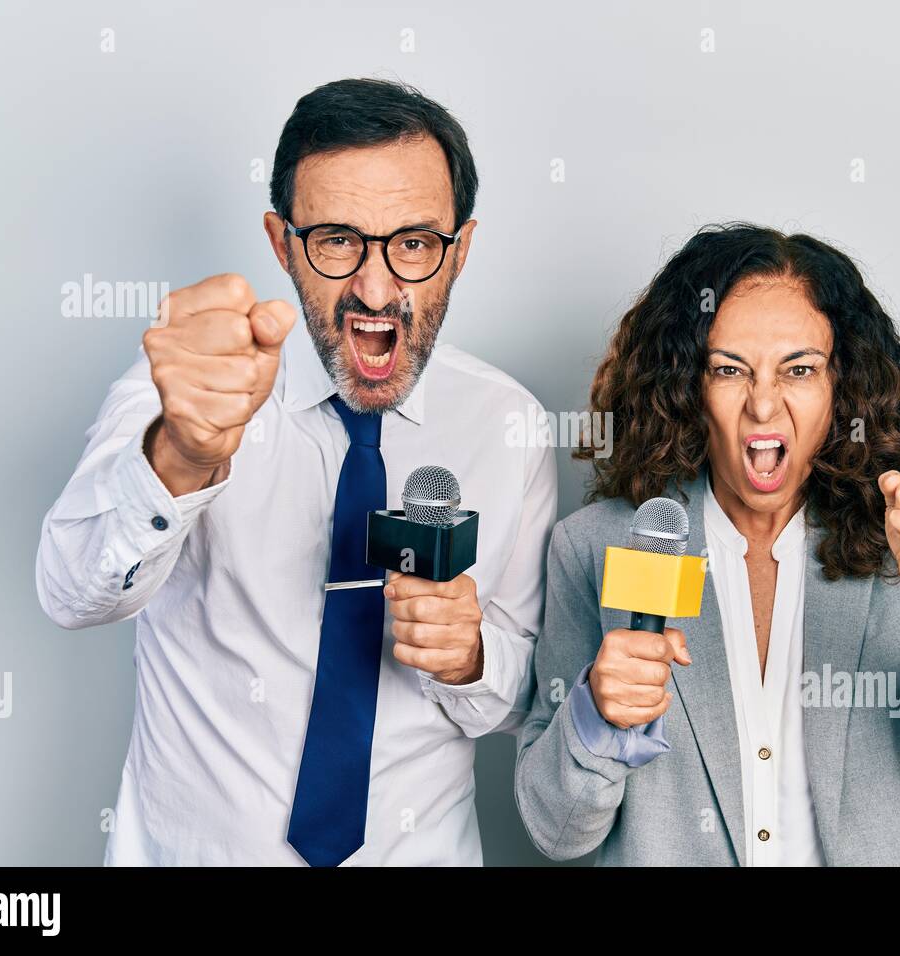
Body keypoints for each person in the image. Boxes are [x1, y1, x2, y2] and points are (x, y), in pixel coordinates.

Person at [36, 78, 557, 865]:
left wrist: (473, 656)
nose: (376, 289)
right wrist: (182, 456)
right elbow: (70, 593)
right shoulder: (185, 389)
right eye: (338, 240)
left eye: (414, 243)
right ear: (283, 244)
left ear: (461, 250)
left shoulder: (509, 425)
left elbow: (525, 698)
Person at [514, 222, 900, 865]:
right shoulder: (596, 548)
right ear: (688, 388)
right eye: (729, 370)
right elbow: (556, 831)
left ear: (841, 388)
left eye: (799, 370)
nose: (764, 407)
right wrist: (600, 717)